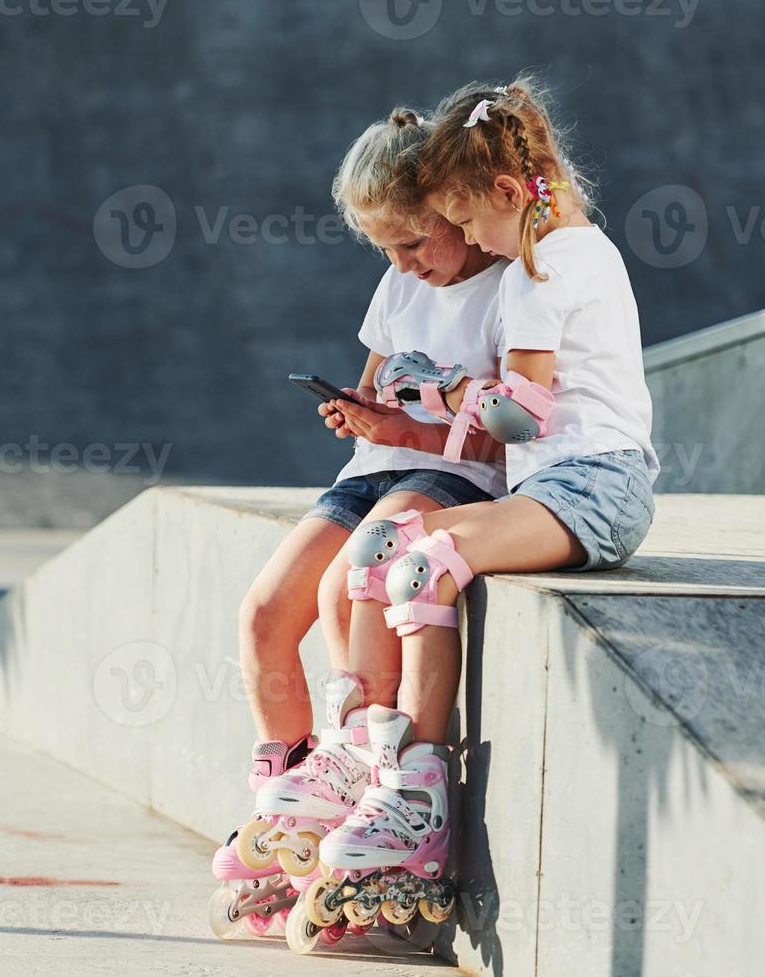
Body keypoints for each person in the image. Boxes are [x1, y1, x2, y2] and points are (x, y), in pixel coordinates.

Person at [311, 76, 659, 910]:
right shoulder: (566, 250)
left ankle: (418, 797)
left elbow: (518, 418)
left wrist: (439, 392)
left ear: (508, 193)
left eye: (467, 222)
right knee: (381, 551)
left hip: (595, 486)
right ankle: (369, 758)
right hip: (567, 484)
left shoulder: (540, 266)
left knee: (420, 566)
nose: (469, 239)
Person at [211, 108, 509, 921]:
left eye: (415, 243)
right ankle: (292, 810)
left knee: (354, 581)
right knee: (266, 613)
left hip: (453, 481)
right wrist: (355, 413)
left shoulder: (505, 292)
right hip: (372, 471)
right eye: (386, 250)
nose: (404, 265)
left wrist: (409, 428)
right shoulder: (398, 285)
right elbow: (375, 386)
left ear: (455, 209)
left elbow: (508, 441)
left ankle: (382, 794)